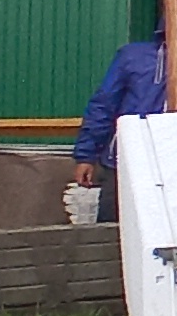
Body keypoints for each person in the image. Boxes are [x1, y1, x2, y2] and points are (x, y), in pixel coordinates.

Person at [70, 27, 168, 225]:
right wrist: (86, 155)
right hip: (124, 162)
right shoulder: (133, 57)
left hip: (173, 165)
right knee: (112, 231)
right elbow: (104, 105)